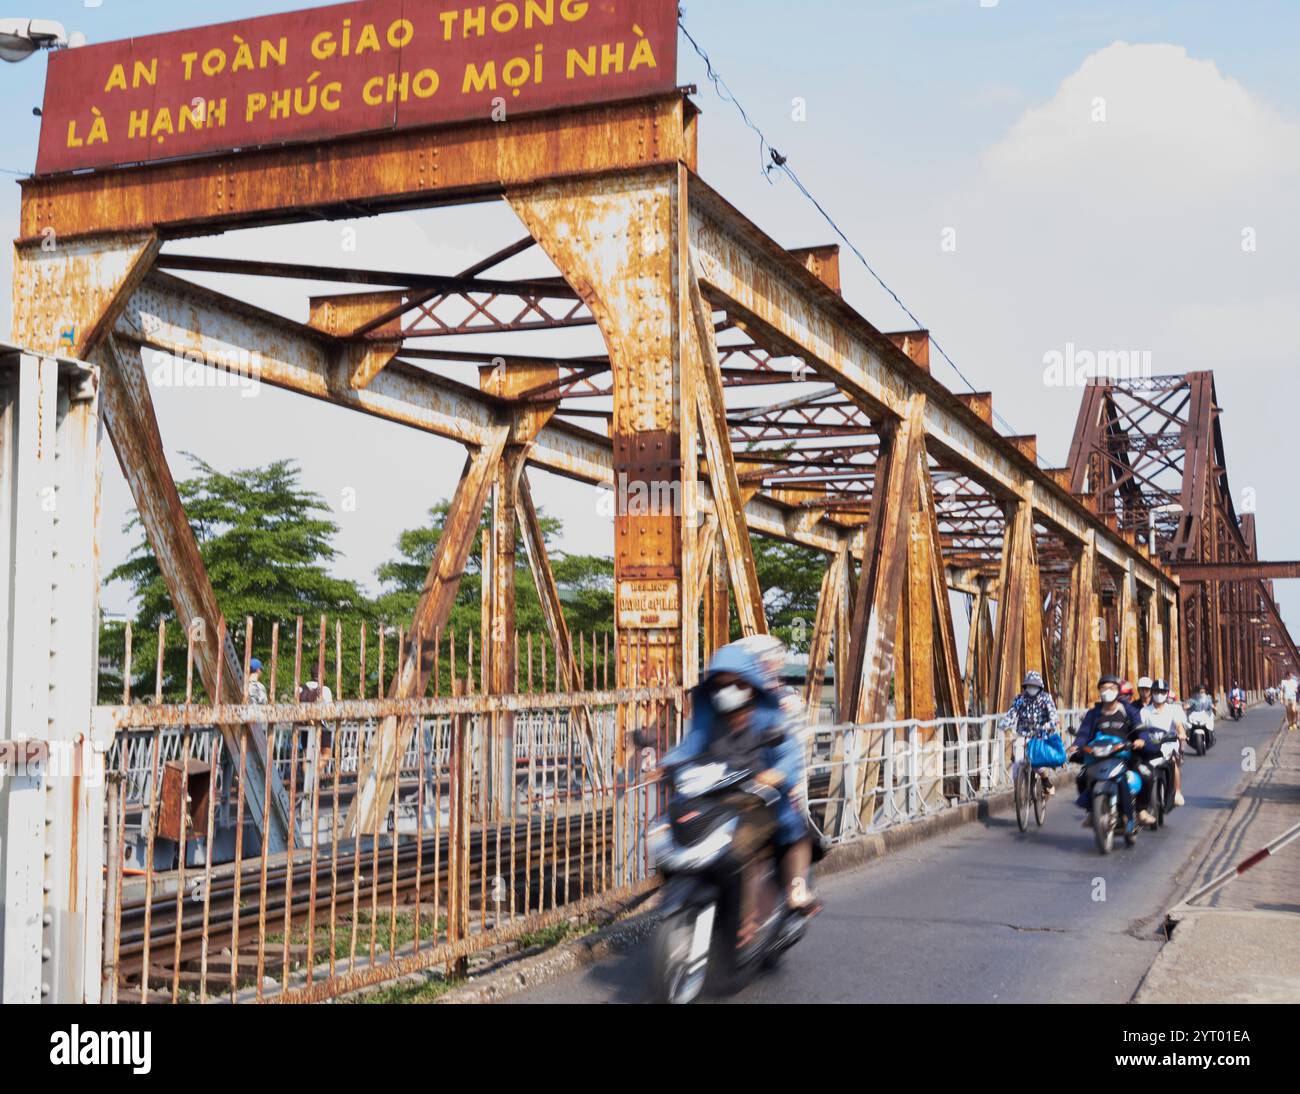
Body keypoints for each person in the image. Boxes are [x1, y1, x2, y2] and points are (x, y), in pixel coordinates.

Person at [667, 640, 820, 945]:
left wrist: (776, 775)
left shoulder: (769, 714)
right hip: (716, 795)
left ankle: (764, 910)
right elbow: (688, 749)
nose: (728, 690)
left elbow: (790, 752)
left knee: (752, 843)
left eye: (735, 683)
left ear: (750, 684)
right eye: (721, 684)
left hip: (759, 799)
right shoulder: (709, 717)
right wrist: (665, 765)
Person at [1071, 674, 1155, 833]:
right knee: (1081, 777)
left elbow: (1139, 726)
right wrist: (1077, 745)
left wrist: (1141, 739)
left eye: (1111, 688)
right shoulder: (1094, 713)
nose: (1107, 691)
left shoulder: (1127, 710)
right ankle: (1092, 811)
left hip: (1124, 753)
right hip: (1099, 754)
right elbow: (1084, 732)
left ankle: (1140, 810)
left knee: (1145, 775)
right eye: (1103, 688)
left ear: (1118, 691)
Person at [998, 670, 1061, 797]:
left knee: (1038, 764)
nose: (1031, 688)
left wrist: (1049, 724)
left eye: (1034, 686)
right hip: (1022, 734)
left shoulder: (1046, 698)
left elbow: (1053, 716)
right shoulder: (1020, 699)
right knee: (1018, 762)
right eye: (1029, 685)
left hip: (1040, 734)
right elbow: (1012, 713)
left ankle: (1045, 781)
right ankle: (1018, 790)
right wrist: (1004, 724)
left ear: (1040, 687)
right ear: (1025, 686)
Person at [1139, 678, 1186, 808]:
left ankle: (1177, 792)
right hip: (1151, 745)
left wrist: (1181, 734)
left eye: (1162, 692)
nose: (1159, 694)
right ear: (1152, 693)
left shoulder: (1173, 710)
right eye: (1156, 691)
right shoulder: (1145, 712)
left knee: (1174, 761)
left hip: (1168, 744)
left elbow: (1178, 725)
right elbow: (1140, 728)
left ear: (1166, 693)